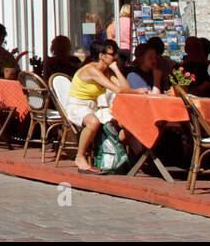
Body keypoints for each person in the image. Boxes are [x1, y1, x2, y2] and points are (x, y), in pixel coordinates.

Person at [64, 39, 158, 174]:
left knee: (126, 121)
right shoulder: (92, 69)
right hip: (78, 105)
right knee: (93, 122)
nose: (115, 57)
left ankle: (115, 151)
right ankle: (80, 157)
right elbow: (118, 90)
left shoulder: (107, 71)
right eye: (112, 54)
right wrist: (137, 91)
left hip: (93, 107)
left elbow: (124, 87)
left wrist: (115, 69)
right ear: (101, 56)